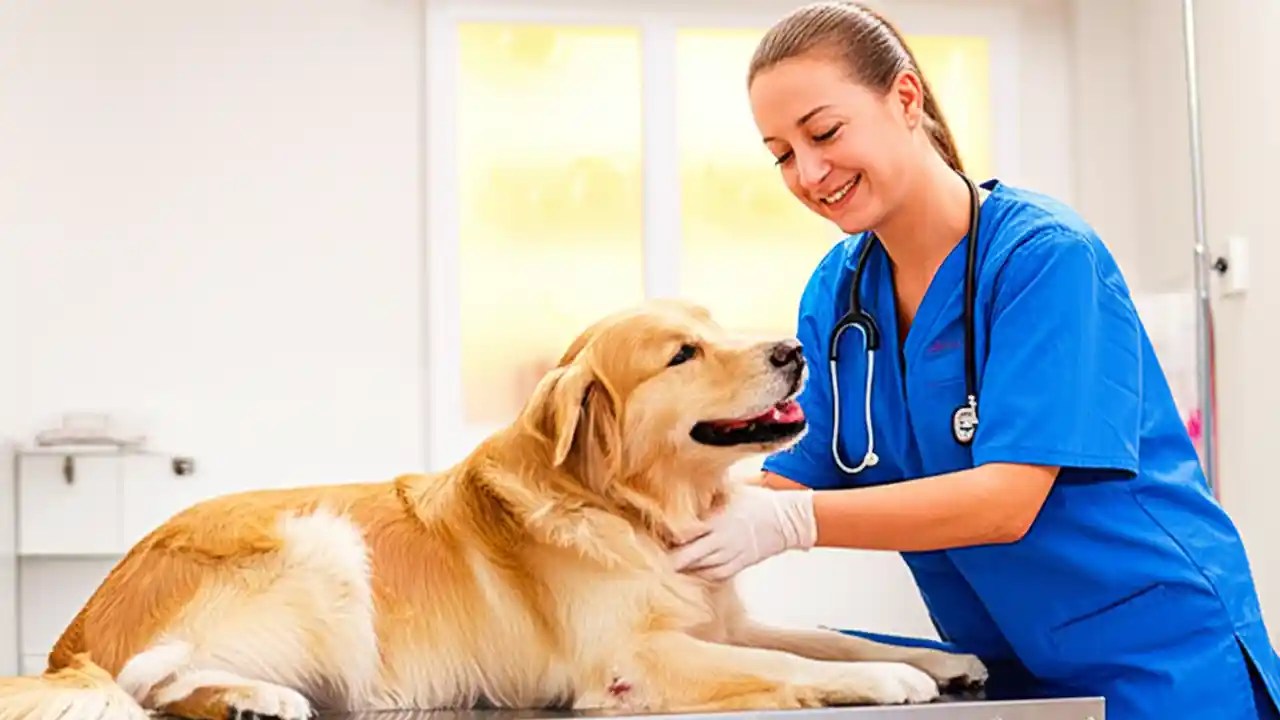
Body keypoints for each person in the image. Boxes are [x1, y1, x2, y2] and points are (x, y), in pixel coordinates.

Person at [667, 2, 1280, 718]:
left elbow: (1005, 502)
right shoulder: (840, 296)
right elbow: (785, 485)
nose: (807, 171)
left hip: (1159, 660)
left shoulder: (1044, 259)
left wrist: (789, 525)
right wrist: (656, 519)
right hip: (1005, 668)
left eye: (825, 132)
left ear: (904, 98)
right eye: (780, 154)